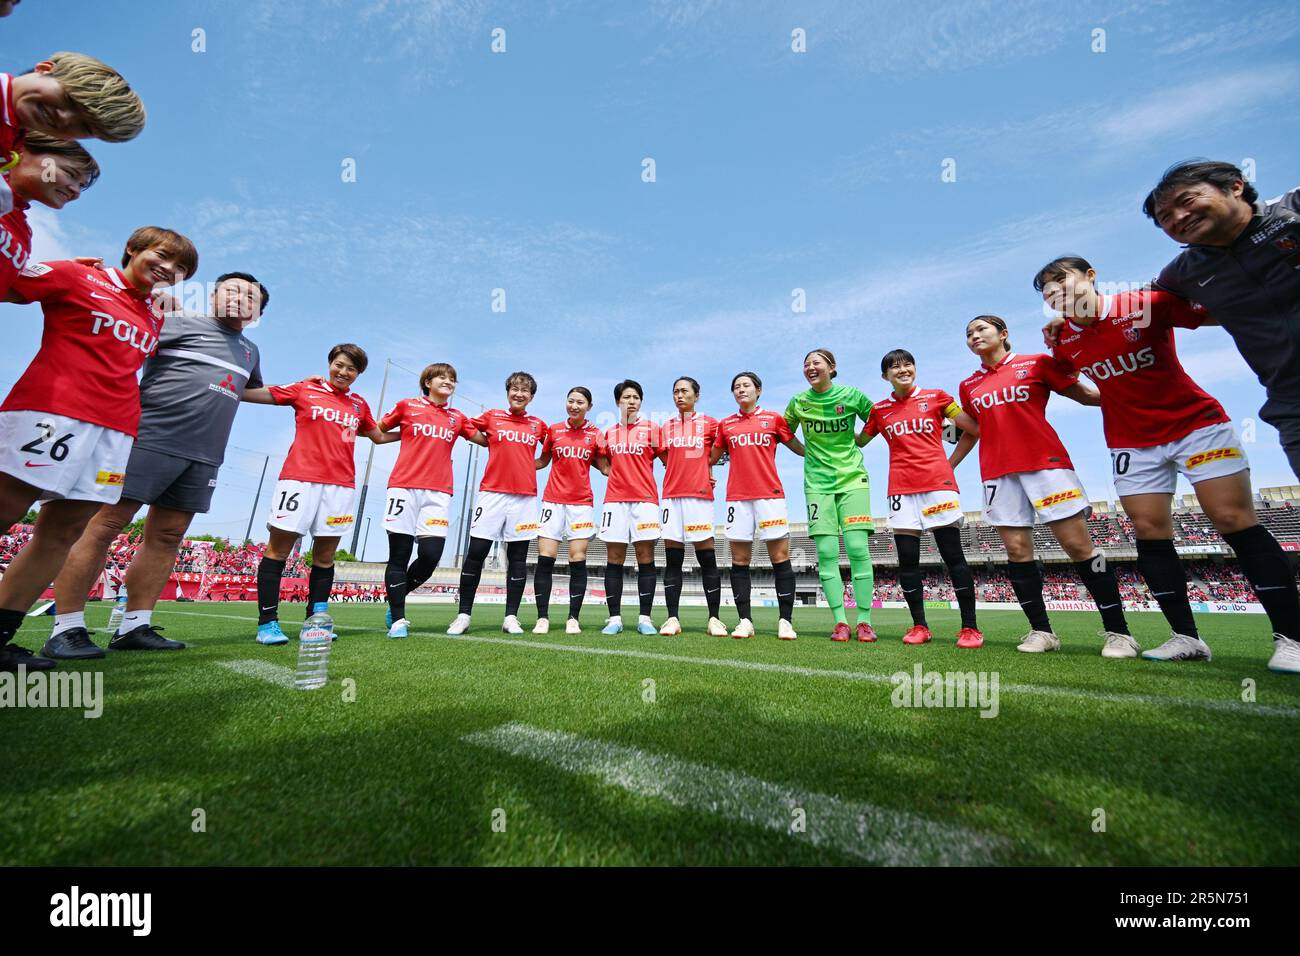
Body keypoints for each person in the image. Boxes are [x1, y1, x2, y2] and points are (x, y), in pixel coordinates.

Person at [1036, 255, 1300, 673]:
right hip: (1130, 442)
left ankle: (1292, 637)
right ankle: (1186, 638)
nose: (1055, 292)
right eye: (1047, 291)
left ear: (1090, 276)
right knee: (1148, 530)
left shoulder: (1143, 304)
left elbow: (1216, 313)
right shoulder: (1062, 339)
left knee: (1232, 518)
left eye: (1060, 280)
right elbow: (1067, 372)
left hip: (1196, 425)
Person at [0, 226, 197, 671]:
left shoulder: (156, 313)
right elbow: (9, 283)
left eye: (182, 267)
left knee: (63, 532)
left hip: (115, 431)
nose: (170, 269)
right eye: (162, 256)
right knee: (6, 510)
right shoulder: (77, 276)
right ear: (132, 248)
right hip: (50, 415)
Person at [43, 272, 269, 658]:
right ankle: (66, 627)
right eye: (231, 290)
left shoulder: (249, 351)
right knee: (104, 526)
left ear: (258, 312)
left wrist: (304, 395)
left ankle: (136, 625)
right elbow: (122, 337)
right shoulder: (172, 322)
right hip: (145, 440)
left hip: (203, 455)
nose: (239, 299)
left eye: (250, 297)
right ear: (213, 296)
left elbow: (249, 391)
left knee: (167, 537)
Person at [956, 315, 1136, 656]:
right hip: (996, 472)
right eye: (969, 333)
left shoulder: (1036, 363)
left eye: (981, 329)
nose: (974, 336)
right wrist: (947, 467)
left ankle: (1119, 632)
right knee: (1017, 552)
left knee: (1079, 547)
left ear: (1004, 334)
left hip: (1046, 466)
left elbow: (1085, 395)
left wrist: (1131, 393)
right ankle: (1041, 631)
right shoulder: (969, 385)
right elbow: (971, 429)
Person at [1139, 161, 1300, 479]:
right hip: (1291, 401)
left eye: (1186, 201)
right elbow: (1134, 306)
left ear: (1236, 186)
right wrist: (1072, 316)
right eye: (1165, 218)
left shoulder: (1293, 209)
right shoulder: (1183, 273)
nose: (1180, 218)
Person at [242, 344, 392, 645]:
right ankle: (267, 623)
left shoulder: (358, 404)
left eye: (351, 369)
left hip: (340, 487)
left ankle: (316, 622)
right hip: (299, 482)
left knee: (325, 557)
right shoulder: (304, 390)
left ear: (358, 374)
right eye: (339, 365)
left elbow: (377, 436)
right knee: (278, 551)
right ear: (329, 364)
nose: (343, 372)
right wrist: (223, 379)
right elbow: (252, 393)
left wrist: (417, 430)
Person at [861, 349, 984, 648]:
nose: (902, 370)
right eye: (894, 367)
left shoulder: (938, 397)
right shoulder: (879, 410)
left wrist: (950, 463)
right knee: (907, 562)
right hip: (901, 489)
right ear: (884, 376)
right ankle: (919, 626)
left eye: (907, 365)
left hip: (937, 486)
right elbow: (859, 441)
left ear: (914, 368)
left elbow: (975, 428)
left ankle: (970, 628)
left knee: (952, 556)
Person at [376, 363, 478, 639]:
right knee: (399, 555)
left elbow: (483, 439)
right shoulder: (407, 406)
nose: (448, 381)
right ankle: (398, 619)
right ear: (427, 382)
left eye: (453, 379)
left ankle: (397, 594)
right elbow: (377, 433)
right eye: (442, 377)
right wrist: (404, 434)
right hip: (403, 489)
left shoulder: (457, 417)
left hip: (439, 493)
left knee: (430, 557)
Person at [783, 349, 877, 642]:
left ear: (832, 368)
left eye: (817, 363)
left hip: (853, 480)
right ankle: (840, 621)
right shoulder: (799, 402)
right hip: (817, 484)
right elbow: (783, 432)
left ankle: (864, 620)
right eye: (806, 364)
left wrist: (861, 440)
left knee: (858, 548)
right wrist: (805, 451)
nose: (811, 368)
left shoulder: (852, 395)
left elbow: (877, 419)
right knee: (826, 553)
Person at [447, 372, 546, 636]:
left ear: (532, 396)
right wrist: (484, 441)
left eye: (525, 391)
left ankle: (511, 617)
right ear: (508, 392)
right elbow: (463, 425)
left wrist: (530, 465)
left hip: (524, 498)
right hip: (492, 494)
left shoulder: (538, 425)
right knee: (476, 554)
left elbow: (551, 450)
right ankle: (463, 615)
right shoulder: (492, 416)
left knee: (517, 560)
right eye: (515, 389)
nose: (519, 394)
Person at [712, 372, 804, 638]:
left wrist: (821, 451)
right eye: (737, 387)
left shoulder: (774, 419)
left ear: (758, 390)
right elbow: (712, 457)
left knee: (780, 558)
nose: (741, 390)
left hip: (770, 496)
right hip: (737, 498)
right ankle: (745, 621)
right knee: (740, 561)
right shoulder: (726, 425)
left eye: (746, 386)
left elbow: (797, 446)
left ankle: (785, 621)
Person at [2, 51, 145, 215]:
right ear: (45, 69)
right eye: (69, 99)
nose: (64, 117)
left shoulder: (9, 140)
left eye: (84, 126)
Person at [532, 387, 609, 634]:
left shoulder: (596, 434)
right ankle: (542, 618)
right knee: (546, 558)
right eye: (571, 401)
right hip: (552, 501)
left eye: (580, 402)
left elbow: (605, 467)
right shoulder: (554, 430)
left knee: (578, 559)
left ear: (589, 406)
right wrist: (511, 461)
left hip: (581, 503)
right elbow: (542, 461)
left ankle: (573, 618)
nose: (574, 406)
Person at [658, 376, 726, 637]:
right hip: (672, 496)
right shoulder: (666, 427)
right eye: (675, 391)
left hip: (699, 496)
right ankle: (672, 618)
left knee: (706, 557)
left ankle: (714, 619)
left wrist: (704, 469)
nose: (679, 395)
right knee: (673, 560)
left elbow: (716, 453)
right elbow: (665, 456)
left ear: (696, 396)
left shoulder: (710, 424)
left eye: (685, 391)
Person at [598, 380, 662, 635]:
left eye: (635, 397)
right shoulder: (608, 433)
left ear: (640, 402)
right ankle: (614, 618)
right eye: (626, 397)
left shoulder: (652, 430)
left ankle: (645, 618)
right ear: (617, 402)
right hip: (615, 501)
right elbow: (602, 463)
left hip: (645, 501)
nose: (631, 401)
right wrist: (613, 474)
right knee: (614, 559)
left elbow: (668, 458)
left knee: (645, 558)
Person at [1, 132, 99, 296]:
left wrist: (63, 269)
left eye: (81, 186)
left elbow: (7, 289)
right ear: (22, 150)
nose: (76, 191)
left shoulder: (22, 234)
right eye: (70, 173)